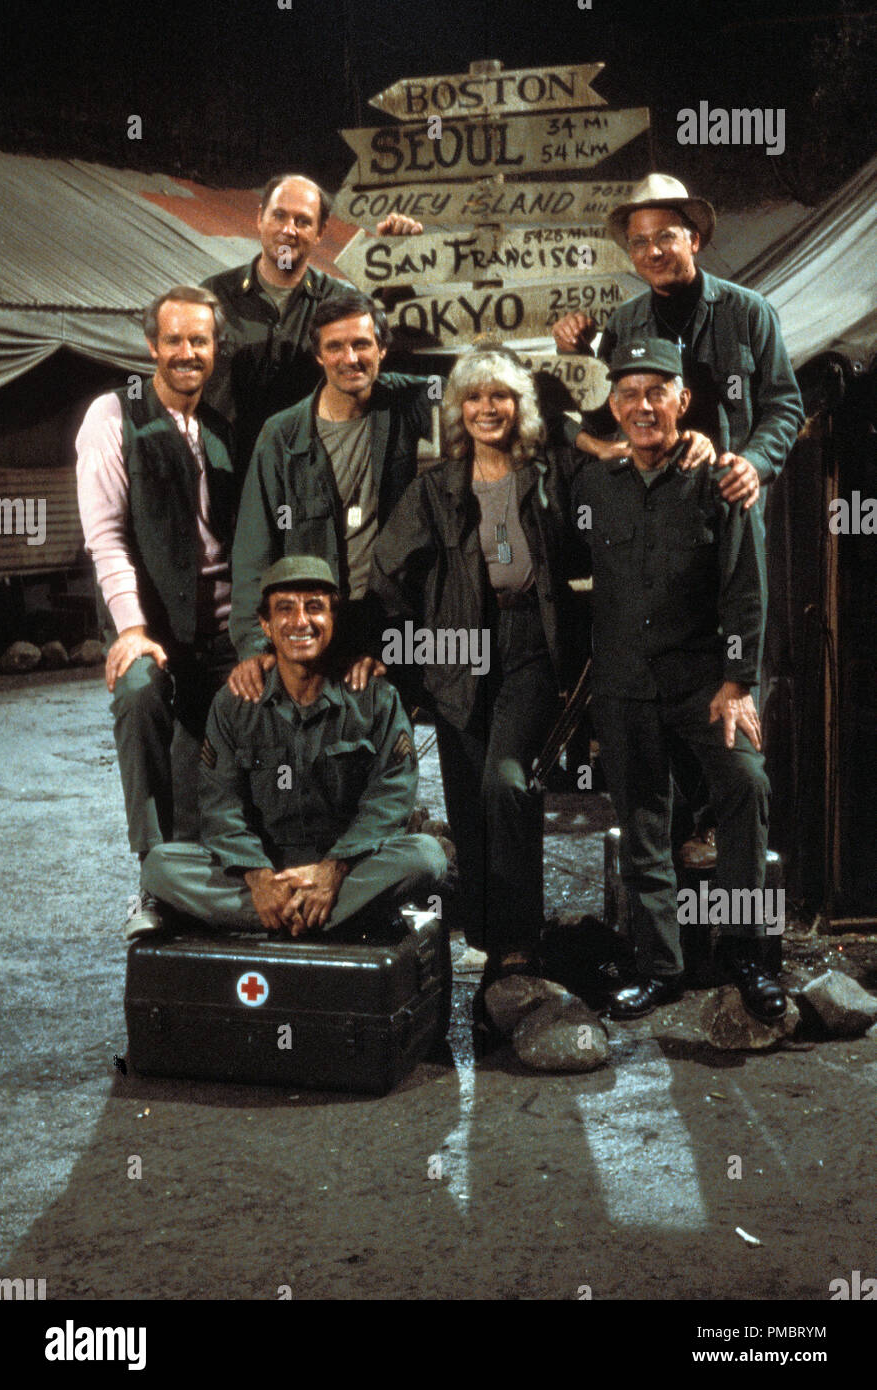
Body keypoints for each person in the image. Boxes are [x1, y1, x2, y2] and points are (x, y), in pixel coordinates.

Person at [573, 338, 784, 1023]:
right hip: (625, 686)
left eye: (656, 392)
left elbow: (744, 589)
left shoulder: (718, 479)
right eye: (628, 393)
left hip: (706, 686)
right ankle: (657, 968)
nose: (642, 406)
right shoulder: (593, 485)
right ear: (613, 404)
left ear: (682, 402)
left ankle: (746, 952)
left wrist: (738, 681)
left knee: (745, 785)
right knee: (641, 822)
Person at [368, 343, 587, 995]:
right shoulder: (436, 488)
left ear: (518, 406)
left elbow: (595, 474)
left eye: (500, 395)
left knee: (506, 785)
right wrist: (411, 650)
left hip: (527, 647)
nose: (487, 407)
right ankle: (493, 947)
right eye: (475, 396)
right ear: (458, 410)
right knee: (467, 803)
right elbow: (386, 573)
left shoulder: (545, 474)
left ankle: (519, 942)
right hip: (455, 650)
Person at [140, 556, 446, 937]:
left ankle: (286, 913)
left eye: (314, 607)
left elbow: (390, 800)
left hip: (348, 864)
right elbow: (221, 806)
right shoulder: (235, 703)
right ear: (266, 625)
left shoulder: (375, 699)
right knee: (160, 865)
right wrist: (258, 877)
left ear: (334, 619)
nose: (301, 621)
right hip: (266, 865)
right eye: (285, 609)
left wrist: (333, 869)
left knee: (426, 857)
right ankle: (324, 914)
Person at [75, 286, 238, 936]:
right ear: (152, 345)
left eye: (199, 341)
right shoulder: (113, 415)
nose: (187, 353)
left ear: (215, 349)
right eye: (174, 340)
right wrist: (132, 629)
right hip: (156, 626)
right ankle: (152, 875)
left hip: (224, 628)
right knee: (139, 693)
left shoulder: (222, 428)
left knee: (253, 724)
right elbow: (105, 535)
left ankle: (234, 876)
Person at [552, 173, 804, 522]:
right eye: (638, 242)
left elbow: (784, 405)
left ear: (694, 241)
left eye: (665, 237)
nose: (652, 252)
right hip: (651, 509)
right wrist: (576, 355)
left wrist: (754, 463)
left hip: (730, 501)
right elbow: (602, 419)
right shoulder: (623, 324)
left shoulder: (748, 312)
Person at [228, 291, 438, 700]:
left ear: (382, 348)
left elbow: (484, 392)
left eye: (361, 344)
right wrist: (257, 645)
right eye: (335, 347)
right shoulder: (282, 435)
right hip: (313, 622)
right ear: (319, 356)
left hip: (388, 618)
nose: (351, 358)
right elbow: (254, 546)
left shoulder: (406, 402)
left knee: (387, 734)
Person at [202, 173, 422, 477]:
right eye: (279, 215)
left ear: (320, 232)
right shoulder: (212, 297)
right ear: (259, 218)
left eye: (303, 221)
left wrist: (395, 267)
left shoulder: (343, 302)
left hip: (312, 479)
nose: (288, 230)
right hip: (224, 479)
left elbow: (392, 359)